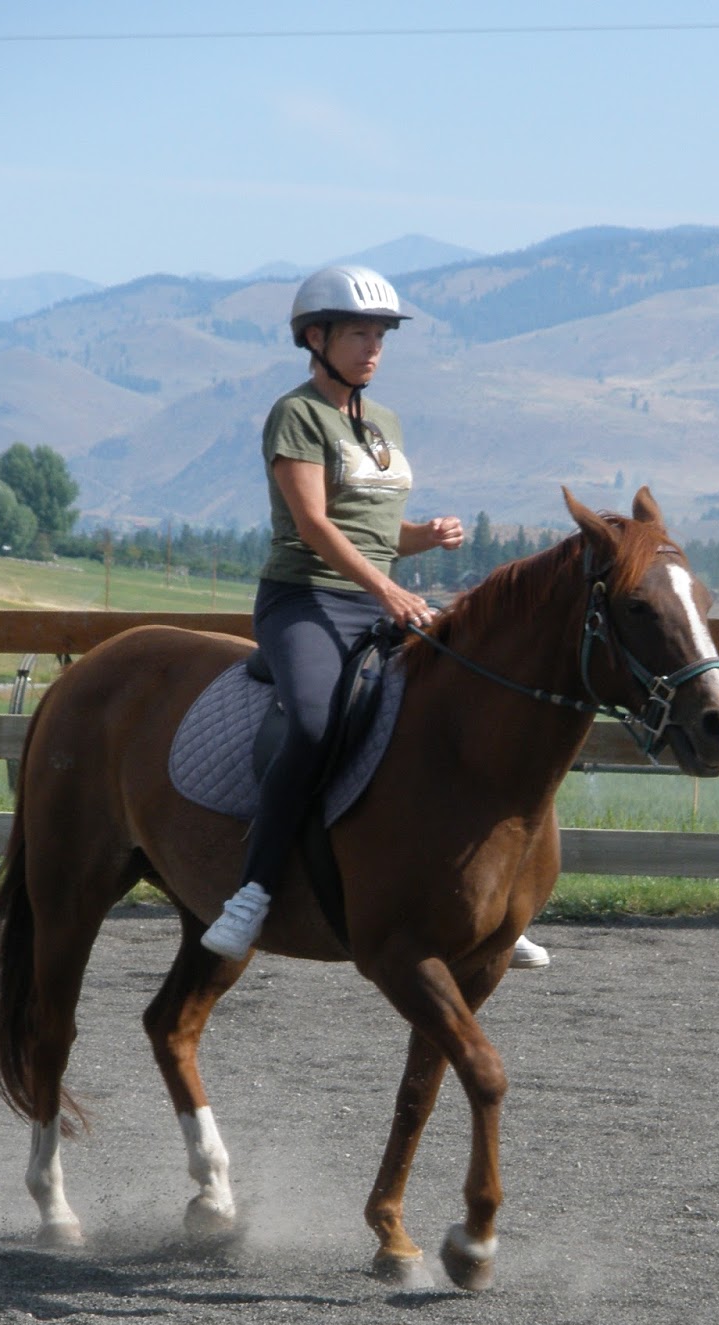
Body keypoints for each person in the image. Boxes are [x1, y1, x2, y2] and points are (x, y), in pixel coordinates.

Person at [201, 264, 549, 971]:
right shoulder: (295, 415)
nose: (374, 348)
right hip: (305, 599)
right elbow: (316, 525)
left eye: (381, 335)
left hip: (374, 596)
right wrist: (389, 590)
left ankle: (492, 906)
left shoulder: (382, 421)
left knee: (462, 709)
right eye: (360, 333)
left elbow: (373, 530)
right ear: (316, 337)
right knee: (313, 723)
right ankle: (255, 891)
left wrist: (426, 535)